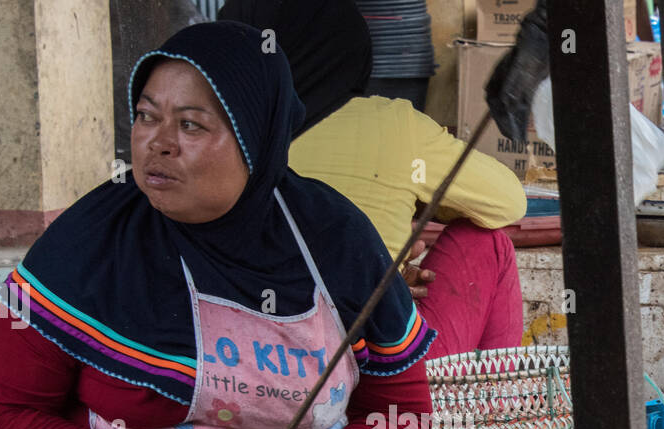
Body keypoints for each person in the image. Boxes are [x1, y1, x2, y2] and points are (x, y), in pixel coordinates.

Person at [0, 22, 547, 429]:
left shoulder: (332, 235)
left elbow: (399, 411)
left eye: (191, 125)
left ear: (254, 138)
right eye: (145, 116)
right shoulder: (85, 245)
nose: (157, 143)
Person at [219, 0, 529, 358]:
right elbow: (510, 202)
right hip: (382, 361)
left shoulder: (220, 134)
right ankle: (495, 400)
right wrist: (419, 205)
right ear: (349, 51)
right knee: (488, 241)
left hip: (248, 359)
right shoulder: (393, 126)